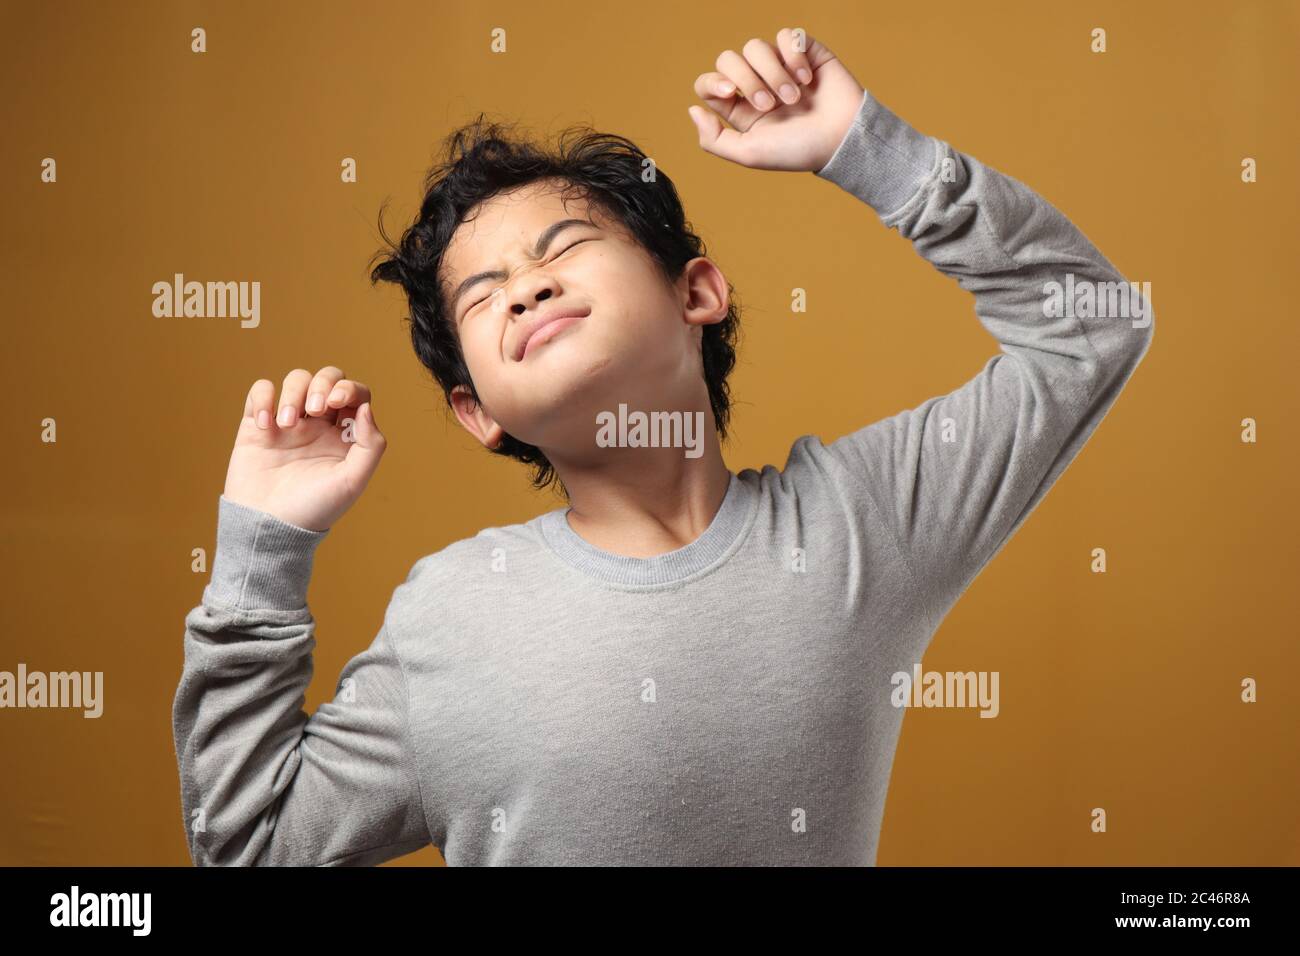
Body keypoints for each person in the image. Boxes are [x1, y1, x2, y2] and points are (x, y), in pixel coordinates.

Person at [172, 28, 1154, 866]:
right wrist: (263, 549)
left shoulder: (860, 524)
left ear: (696, 293)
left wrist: (868, 150)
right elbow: (250, 839)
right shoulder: (452, 614)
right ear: (479, 413)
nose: (523, 285)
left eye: (562, 247)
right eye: (482, 295)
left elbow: (1094, 326)